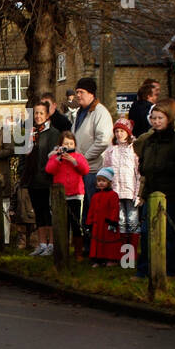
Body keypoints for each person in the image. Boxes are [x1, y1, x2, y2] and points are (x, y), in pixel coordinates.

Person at [134, 98, 175, 279]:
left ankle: (170, 269)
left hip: (171, 193)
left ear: (168, 119)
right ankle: (144, 268)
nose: (156, 122)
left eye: (160, 118)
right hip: (151, 191)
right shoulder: (149, 141)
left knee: (169, 234)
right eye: (153, 118)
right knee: (146, 232)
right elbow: (143, 164)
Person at [71, 77, 114, 236]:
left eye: (81, 92)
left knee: (94, 209)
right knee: (85, 210)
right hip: (81, 168)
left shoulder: (100, 112)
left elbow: (103, 140)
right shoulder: (80, 112)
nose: (78, 96)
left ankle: (97, 242)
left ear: (91, 94)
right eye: (77, 92)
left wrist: (84, 158)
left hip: (94, 170)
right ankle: (87, 244)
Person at [22, 101, 61, 256]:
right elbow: (24, 154)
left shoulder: (53, 133)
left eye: (41, 113)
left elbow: (52, 156)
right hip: (33, 179)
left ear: (47, 115)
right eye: (36, 113)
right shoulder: (31, 132)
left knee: (47, 212)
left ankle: (51, 243)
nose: (38, 116)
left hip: (47, 179)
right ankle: (41, 243)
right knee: (38, 212)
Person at [45, 130, 89, 256]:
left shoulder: (78, 156)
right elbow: (49, 169)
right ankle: (62, 251)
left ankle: (78, 252)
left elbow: (85, 170)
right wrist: (58, 158)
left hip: (76, 194)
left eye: (71, 144)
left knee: (76, 225)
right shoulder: (56, 157)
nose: (68, 146)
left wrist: (74, 162)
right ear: (60, 145)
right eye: (66, 144)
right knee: (63, 225)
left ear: (75, 144)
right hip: (61, 196)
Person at [101, 118, 140, 255]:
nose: (119, 134)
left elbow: (138, 171)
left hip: (130, 191)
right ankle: (124, 254)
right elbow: (106, 170)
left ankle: (132, 253)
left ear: (128, 132)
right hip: (116, 191)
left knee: (132, 221)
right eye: (116, 131)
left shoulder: (133, 148)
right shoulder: (111, 150)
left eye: (122, 131)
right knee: (121, 221)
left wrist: (138, 192)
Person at [86, 168, 123, 266]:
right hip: (97, 224)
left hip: (107, 223)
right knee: (97, 242)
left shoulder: (113, 195)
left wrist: (113, 221)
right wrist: (89, 222)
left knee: (109, 242)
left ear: (109, 182)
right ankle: (98, 259)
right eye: (99, 181)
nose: (101, 183)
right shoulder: (95, 196)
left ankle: (111, 259)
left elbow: (115, 208)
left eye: (103, 181)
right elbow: (91, 210)